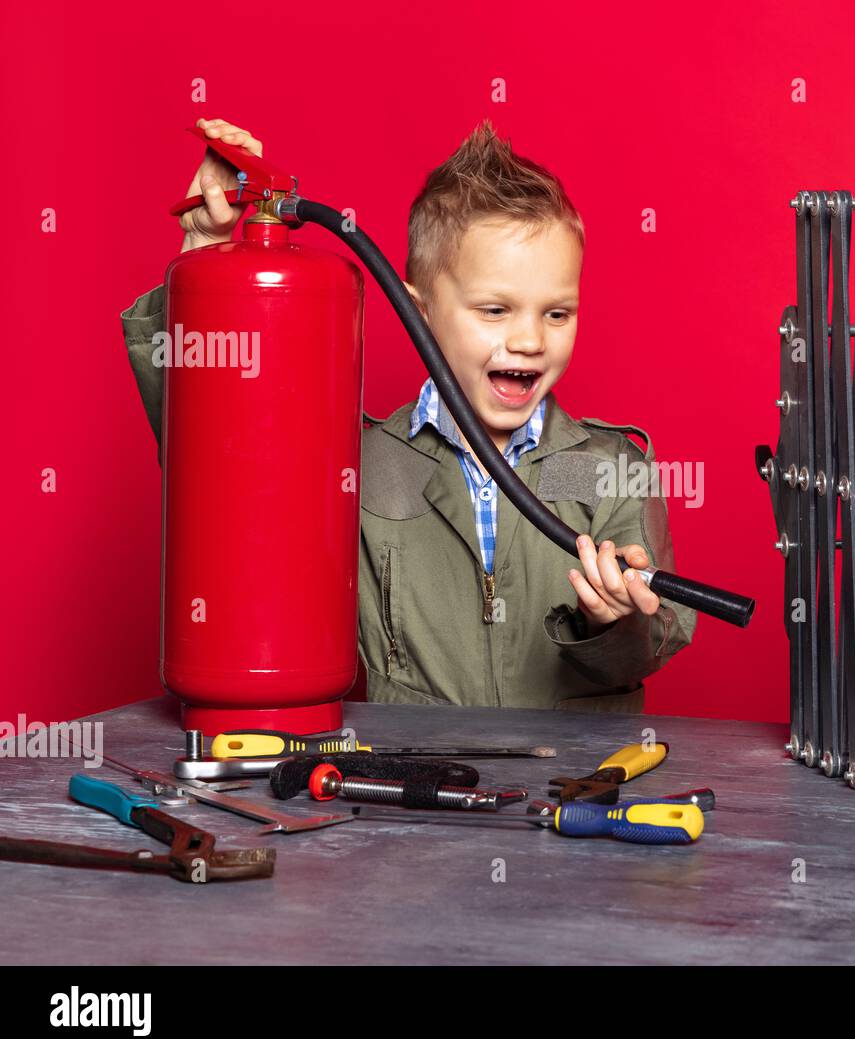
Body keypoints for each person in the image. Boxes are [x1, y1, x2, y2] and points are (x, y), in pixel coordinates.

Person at [120, 117, 695, 712]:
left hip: (576, 788)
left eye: (557, 314)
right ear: (416, 311)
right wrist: (207, 258)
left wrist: (615, 622)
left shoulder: (605, 469)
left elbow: (658, 635)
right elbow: (221, 462)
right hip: (413, 781)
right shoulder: (360, 467)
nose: (529, 340)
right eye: (495, 310)